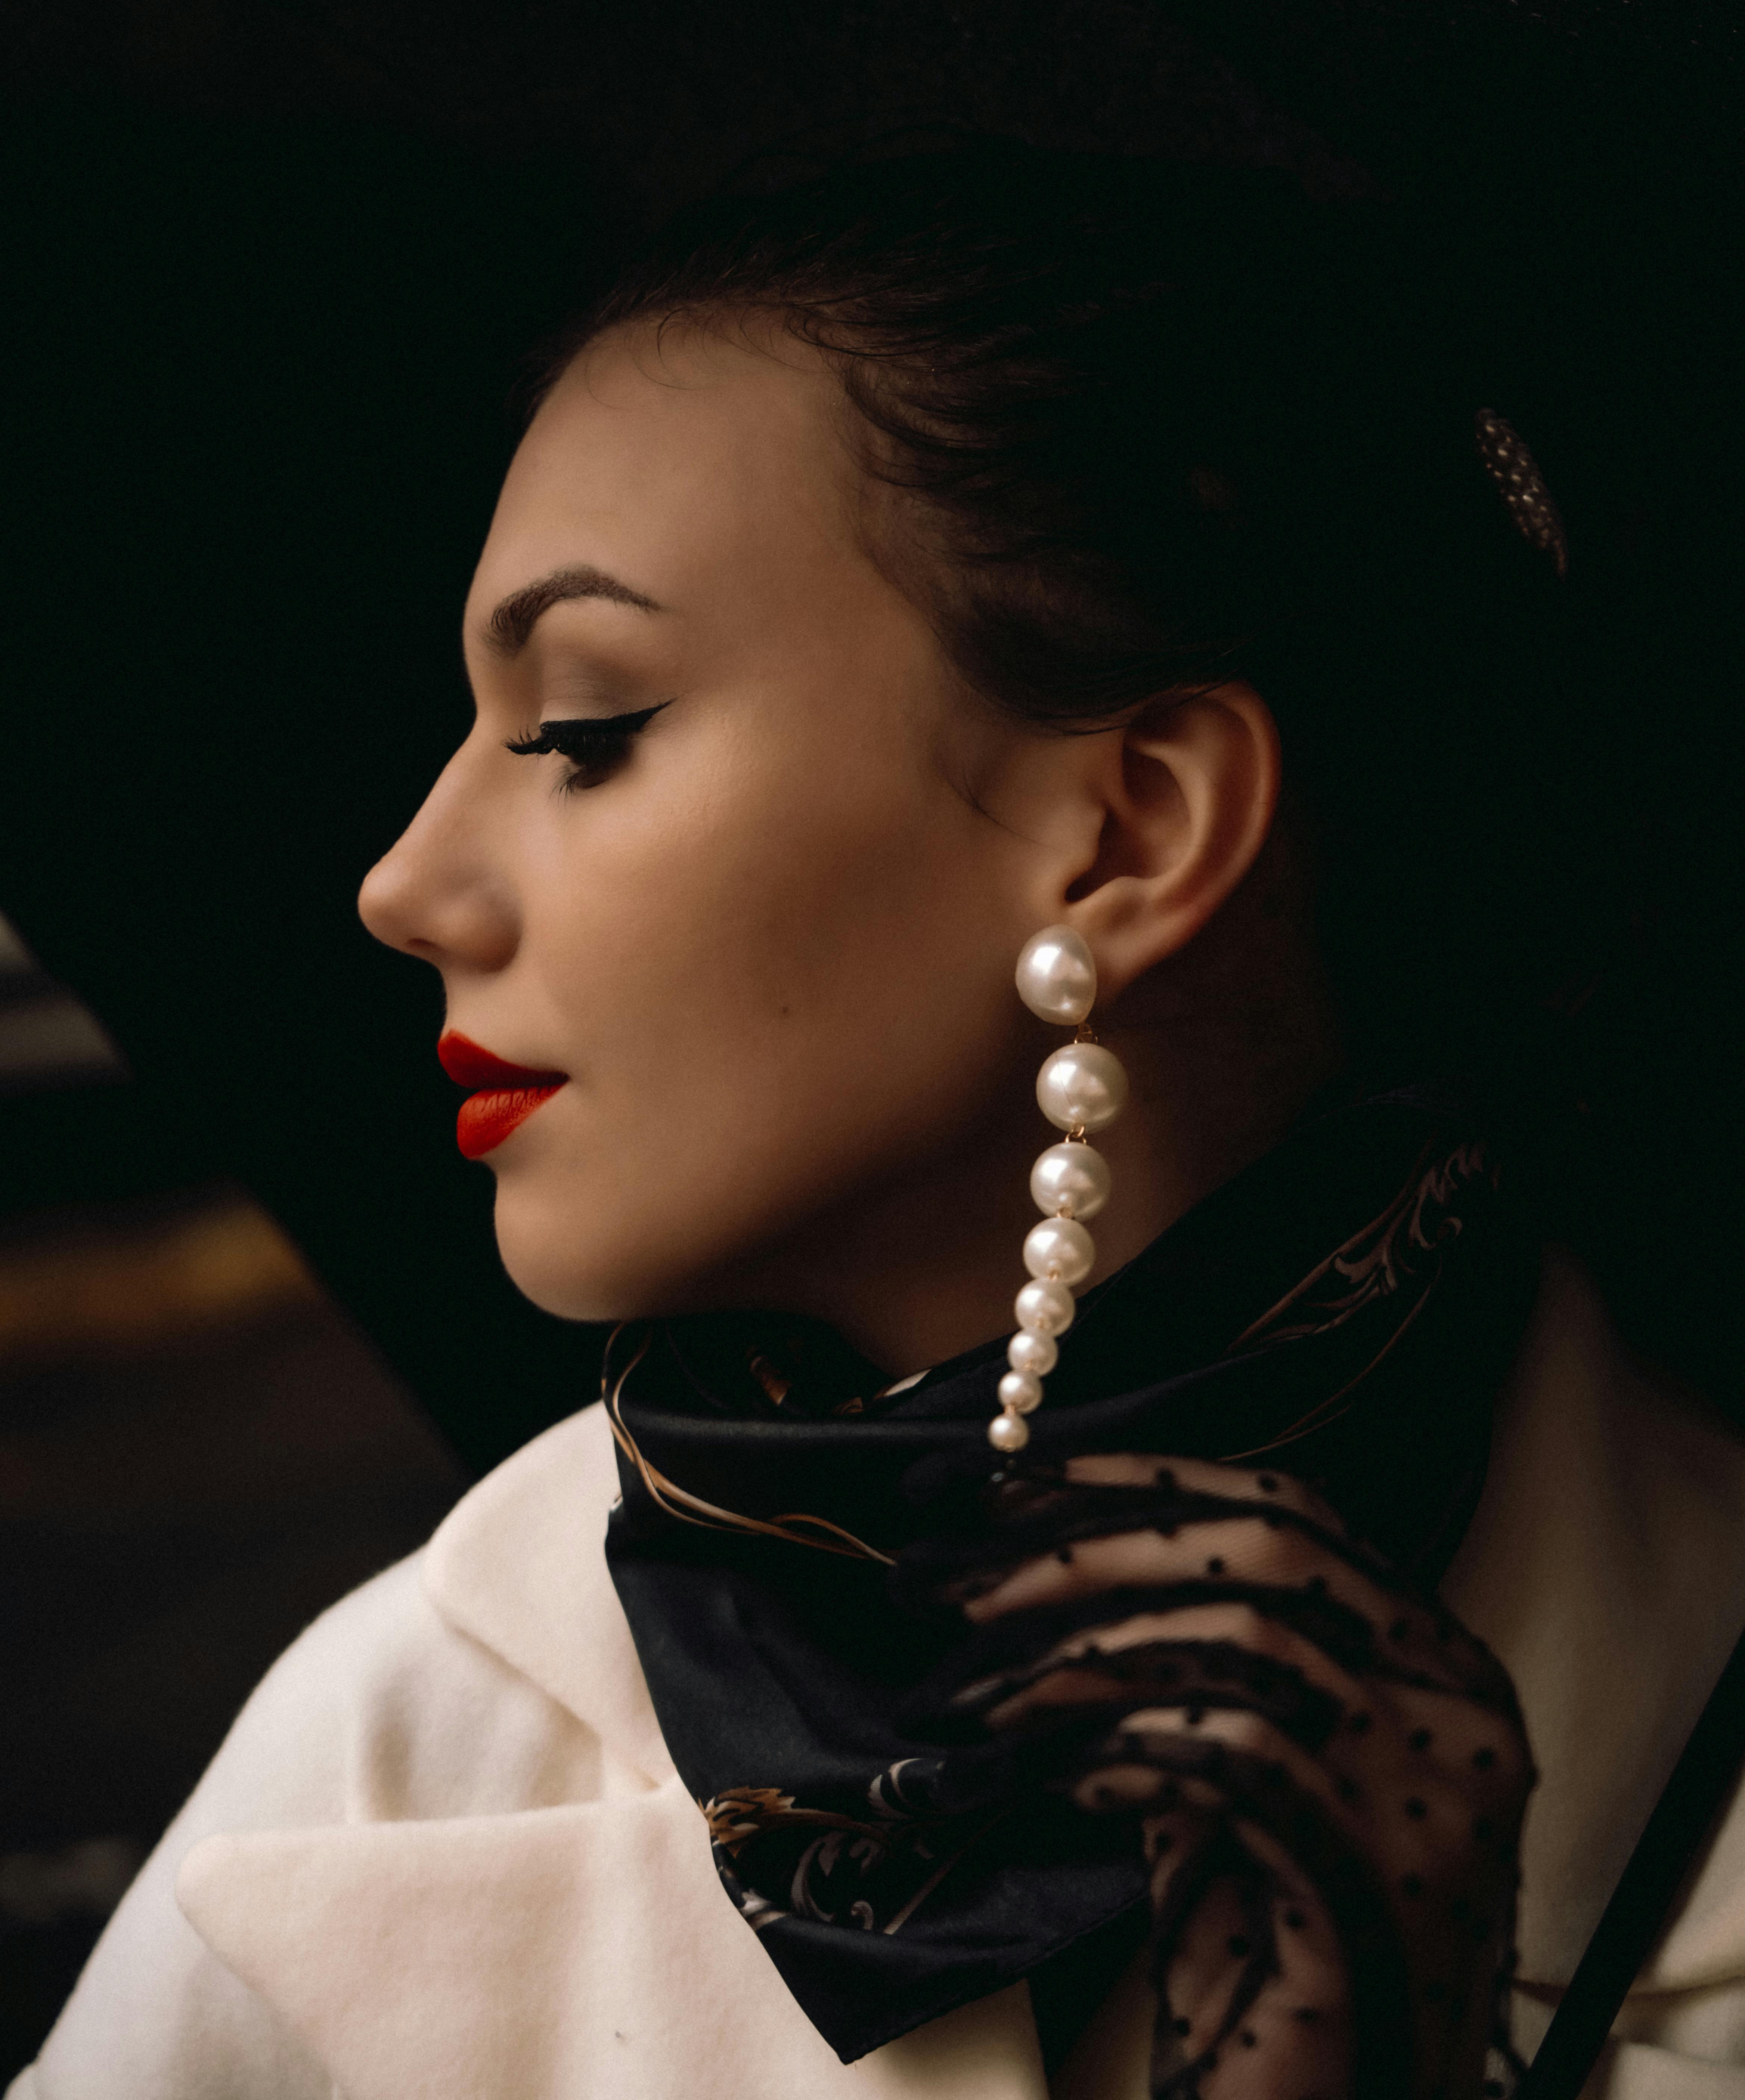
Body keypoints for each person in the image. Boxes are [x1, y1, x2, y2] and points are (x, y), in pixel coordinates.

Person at [15, 146, 1745, 2100]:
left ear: (1131, 831)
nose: (407, 884)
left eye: (584, 730)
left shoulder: (1701, 1741)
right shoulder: (410, 1745)